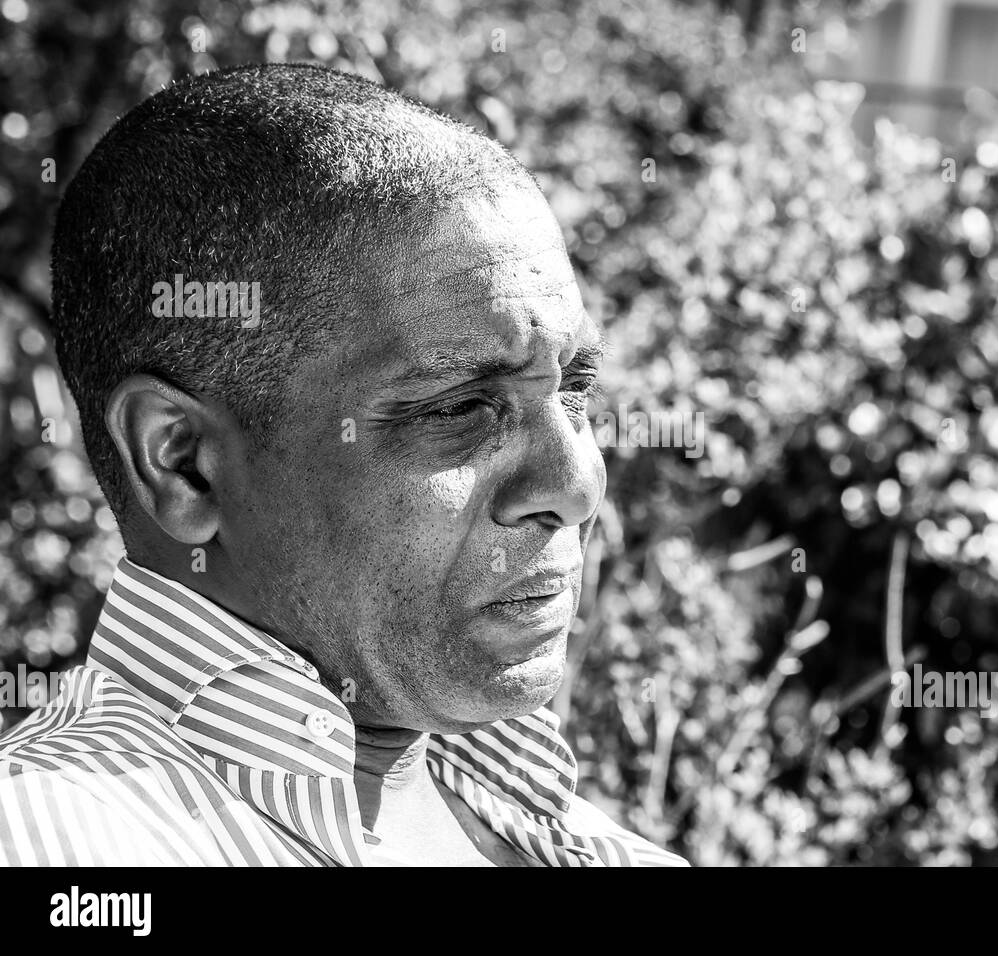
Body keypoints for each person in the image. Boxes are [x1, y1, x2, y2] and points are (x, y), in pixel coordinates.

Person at [0, 63, 686, 867]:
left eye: (572, 388)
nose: (576, 485)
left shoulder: (607, 853)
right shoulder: (60, 843)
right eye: (459, 407)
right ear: (182, 464)